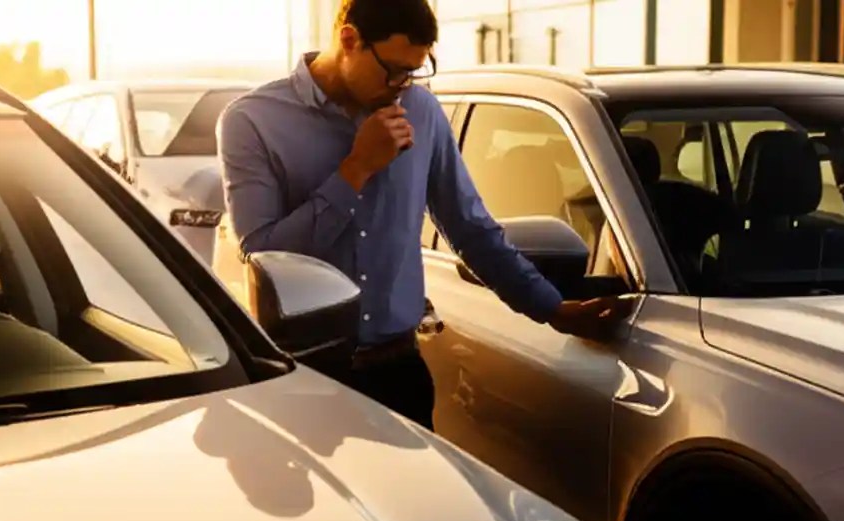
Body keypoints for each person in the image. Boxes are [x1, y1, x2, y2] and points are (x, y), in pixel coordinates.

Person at [218, 0, 629, 430]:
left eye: (414, 71)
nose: (402, 86)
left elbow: (471, 229)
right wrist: (356, 170)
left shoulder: (422, 110)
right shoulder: (251, 121)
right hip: (301, 380)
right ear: (349, 40)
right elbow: (263, 256)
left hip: (398, 375)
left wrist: (552, 308)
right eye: (394, 70)